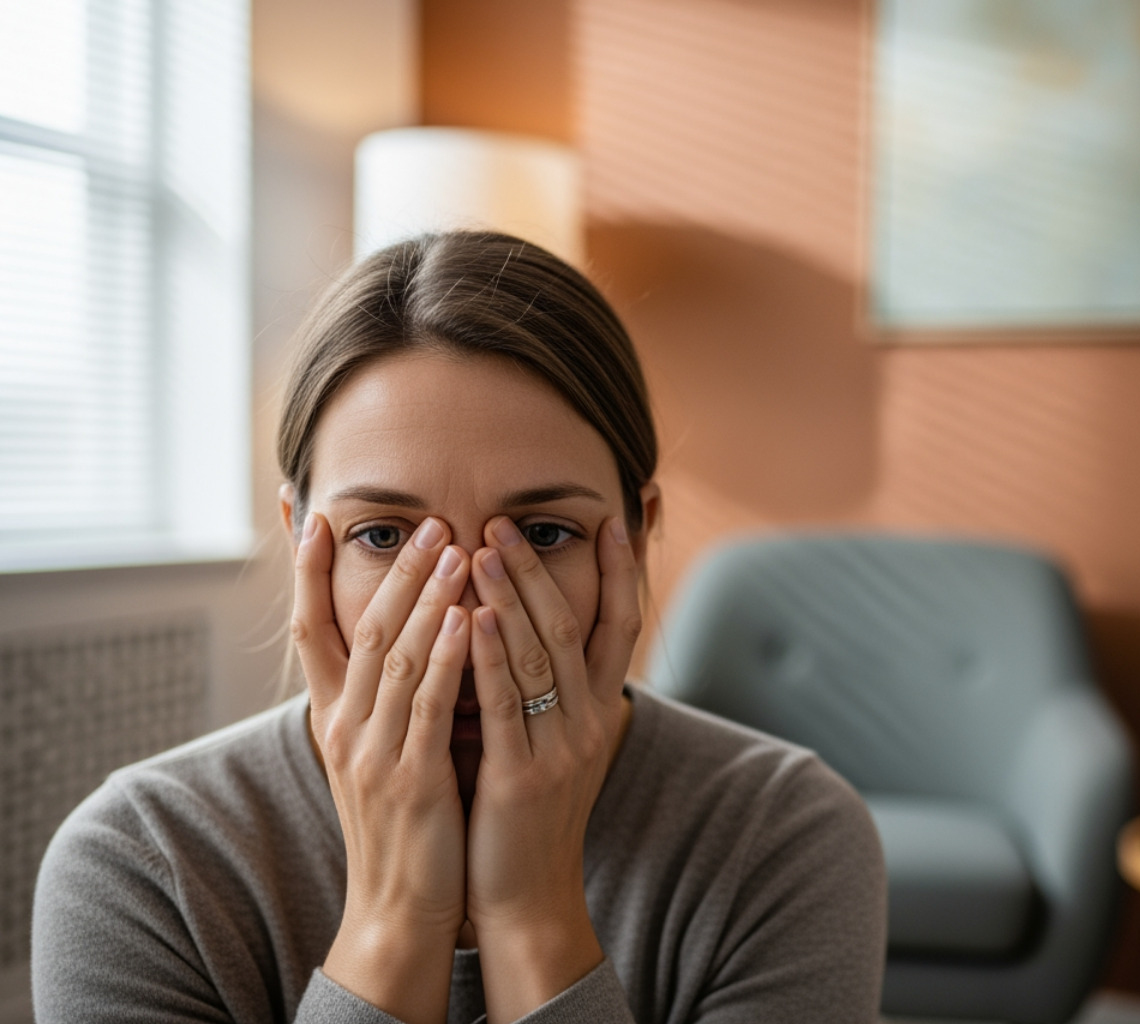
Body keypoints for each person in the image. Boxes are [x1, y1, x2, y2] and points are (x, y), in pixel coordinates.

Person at [31, 231, 887, 1024]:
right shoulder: (141, 865)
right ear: (302, 541)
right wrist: (396, 916)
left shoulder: (784, 838)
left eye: (543, 536)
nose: (469, 618)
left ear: (639, 536)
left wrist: (532, 915)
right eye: (384, 537)